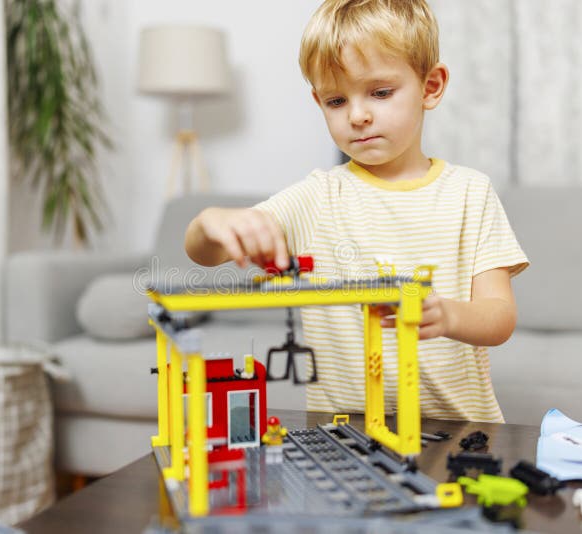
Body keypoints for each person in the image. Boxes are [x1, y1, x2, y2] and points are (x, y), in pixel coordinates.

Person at [185, 0, 528, 422]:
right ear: (319, 102)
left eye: (380, 93)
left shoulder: (470, 192)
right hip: (345, 436)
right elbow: (204, 253)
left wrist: (449, 314)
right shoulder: (317, 196)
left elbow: (500, 316)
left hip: (460, 429)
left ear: (431, 86)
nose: (358, 115)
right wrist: (212, 223)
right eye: (336, 101)